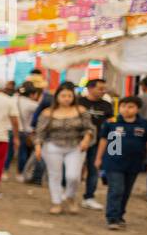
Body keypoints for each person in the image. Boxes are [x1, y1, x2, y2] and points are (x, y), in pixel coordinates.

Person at [96, 95, 147, 229]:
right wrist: (98, 158)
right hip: (113, 162)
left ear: (137, 109)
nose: (126, 109)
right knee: (116, 189)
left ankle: (119, 215)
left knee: (126, 191)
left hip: (134, 163)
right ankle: (112, 218)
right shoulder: (111, 122)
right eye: (123, 106)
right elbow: (103, 141)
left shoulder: (145, 125)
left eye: (130, 107)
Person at [34, 82, 94, 214]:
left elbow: (89, 128)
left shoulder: (81, 111)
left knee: (73, 176)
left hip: (75, 147)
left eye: (69, 96)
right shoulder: (48, 113)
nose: (66, 98)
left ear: (73, 97)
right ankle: (56, 202)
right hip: (52, 147)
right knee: (54, 175)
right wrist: (38, 146)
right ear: (57, 97)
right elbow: (40, 132)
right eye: (63, 95)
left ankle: (70, 196)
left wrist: (86, 139)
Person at [78, 79, 114, 209]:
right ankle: (65, 193)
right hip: (78, 141)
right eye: (100, 88)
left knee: (93, 170)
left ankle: (89, 197)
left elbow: (110, 124)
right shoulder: (78, 102)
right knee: (72, 169)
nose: (103, 91)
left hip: (97, 142)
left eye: (104, 88)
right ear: (90, 88)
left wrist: (113, 145)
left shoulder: (107, 105)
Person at [14, 82, 40, 180]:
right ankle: (20, 173)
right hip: (24, 131)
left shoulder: (13, 99)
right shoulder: (32, 104)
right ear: (31, 94)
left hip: (10, 129)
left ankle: (5, 171)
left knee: (9, 153)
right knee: (23, 153)